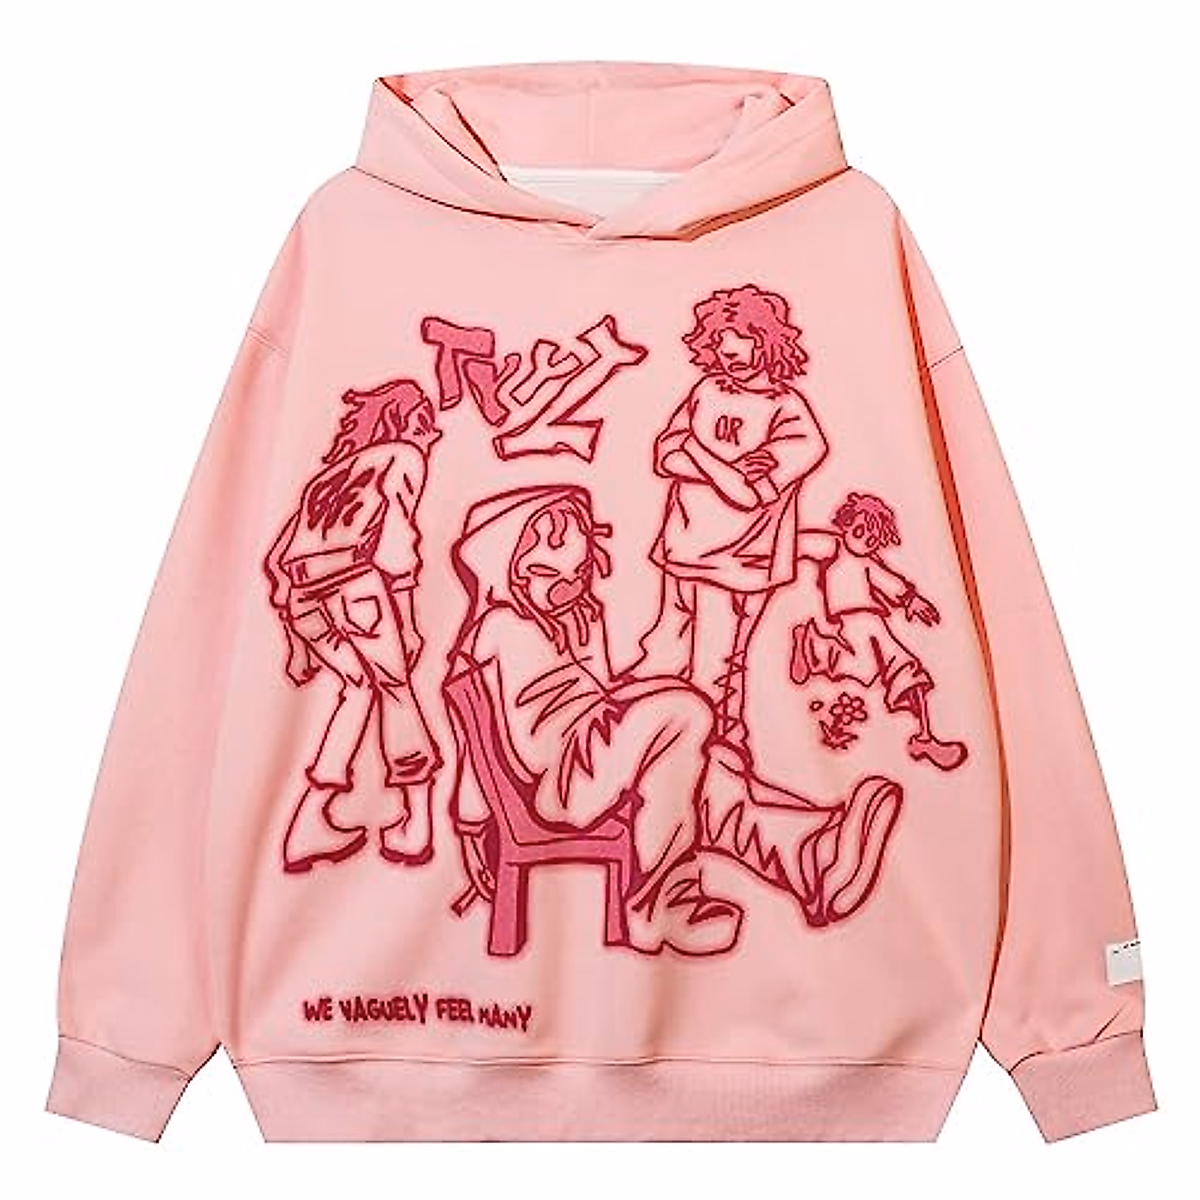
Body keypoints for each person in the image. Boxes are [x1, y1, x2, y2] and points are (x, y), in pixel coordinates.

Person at [445, 484, 903, 957]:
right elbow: (474, 739)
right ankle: (656, 904)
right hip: (563, 780)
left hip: (597, 758)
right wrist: (473, 824)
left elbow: (603, 697)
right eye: (547, 562)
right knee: (683, 713)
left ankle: (813, 858)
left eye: (578, 566)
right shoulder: (496, 627)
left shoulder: (578, 621)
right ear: (508, 563)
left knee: (708, 773)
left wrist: (631, 687)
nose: (571, 579)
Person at [636, 284, 830, 757]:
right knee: (667, 650)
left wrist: (697, 453)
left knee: (719, 664)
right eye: (721, 343)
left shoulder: (791, 415)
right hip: (681, 548)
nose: (729, 352)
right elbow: (664, 456)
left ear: (767, 341)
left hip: (742, 563)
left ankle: (713, 752)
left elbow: (747, 495)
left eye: (741, 341)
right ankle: (677, 748)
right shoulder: (706, 390)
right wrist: (727, 468)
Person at [262, 377, 444, 872]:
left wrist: (298, 644)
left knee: (357, 689)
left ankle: (308, 823)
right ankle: (416, 821)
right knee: (397, 690)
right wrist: (407, 618)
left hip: (304, 598)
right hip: (355, 587)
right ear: (406, 420)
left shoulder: (329, 477)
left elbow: (279, 557)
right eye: (424, 421)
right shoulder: (401, 457)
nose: (431, 432)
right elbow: (397, 537)